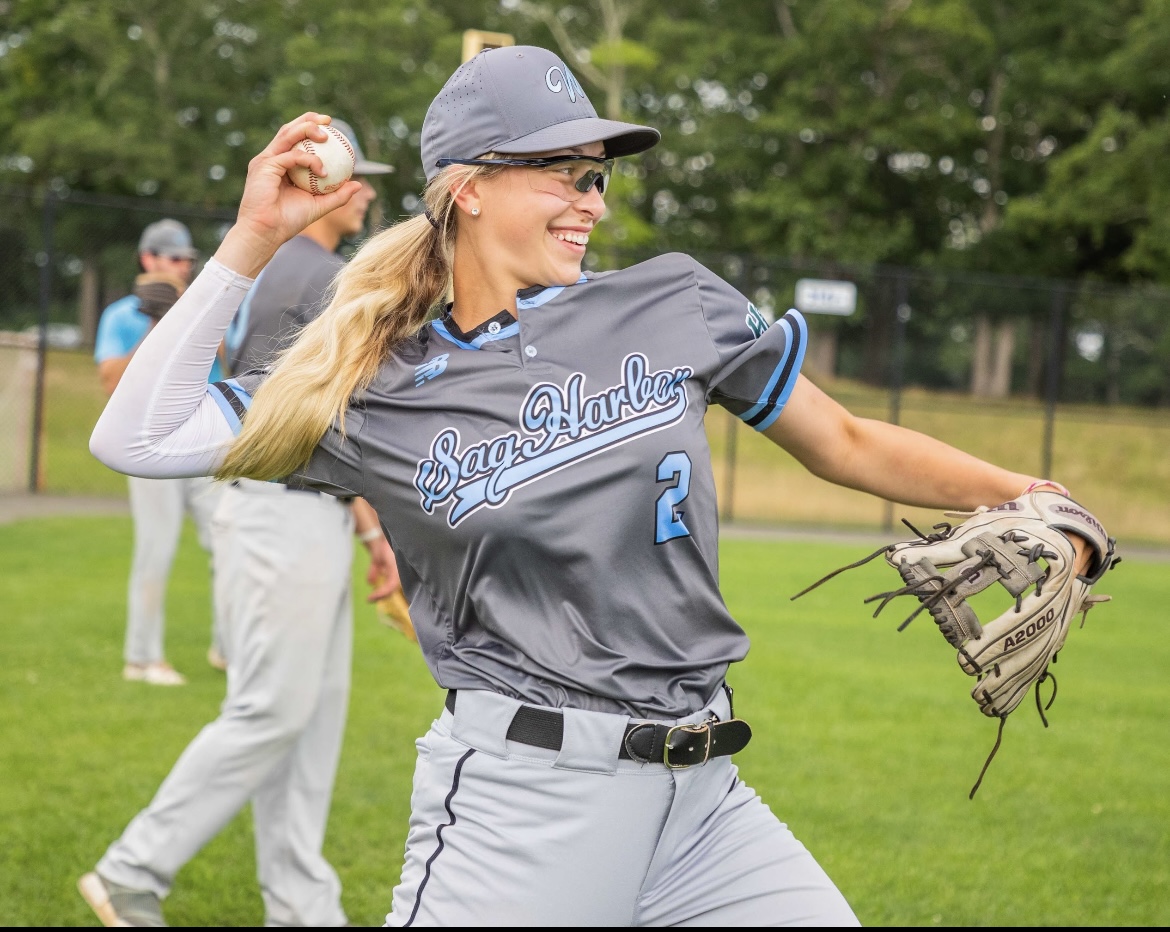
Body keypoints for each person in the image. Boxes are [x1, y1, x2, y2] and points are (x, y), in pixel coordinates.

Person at [89, 47, 1098, 926]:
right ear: (470, 186)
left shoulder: (671, 300)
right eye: (565, 173)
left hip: (704, 803)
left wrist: (1031, 492)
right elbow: (137, 432)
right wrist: (253, 237)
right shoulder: (377, 382)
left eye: (599, 177)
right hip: (525, 807)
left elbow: (843, 439)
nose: (593, 201)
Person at [79, 123, 400, 928]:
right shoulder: (318, 272)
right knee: (272, 710)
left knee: (311, 716)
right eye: (356, 179)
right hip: (276, 509)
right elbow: (299, 419)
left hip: (310, 511)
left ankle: (302, 906)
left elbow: (329, 419)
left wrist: (367, 533)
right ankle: (131, 870)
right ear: (324, 185)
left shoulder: (311, 267)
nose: (364, 192)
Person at [93, 218, 225, 686]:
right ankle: (141, 659)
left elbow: (233, 361)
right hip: (150, 444)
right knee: (157, 548)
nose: (181, 266)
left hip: (206, 441)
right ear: (148, 259)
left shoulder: (199, 305)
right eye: (172, 258)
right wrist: (159, 325)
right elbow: (110, 381)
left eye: (187, 260)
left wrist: (196, 314)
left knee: (227, 541)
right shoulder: (123, 314)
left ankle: (227, 650)